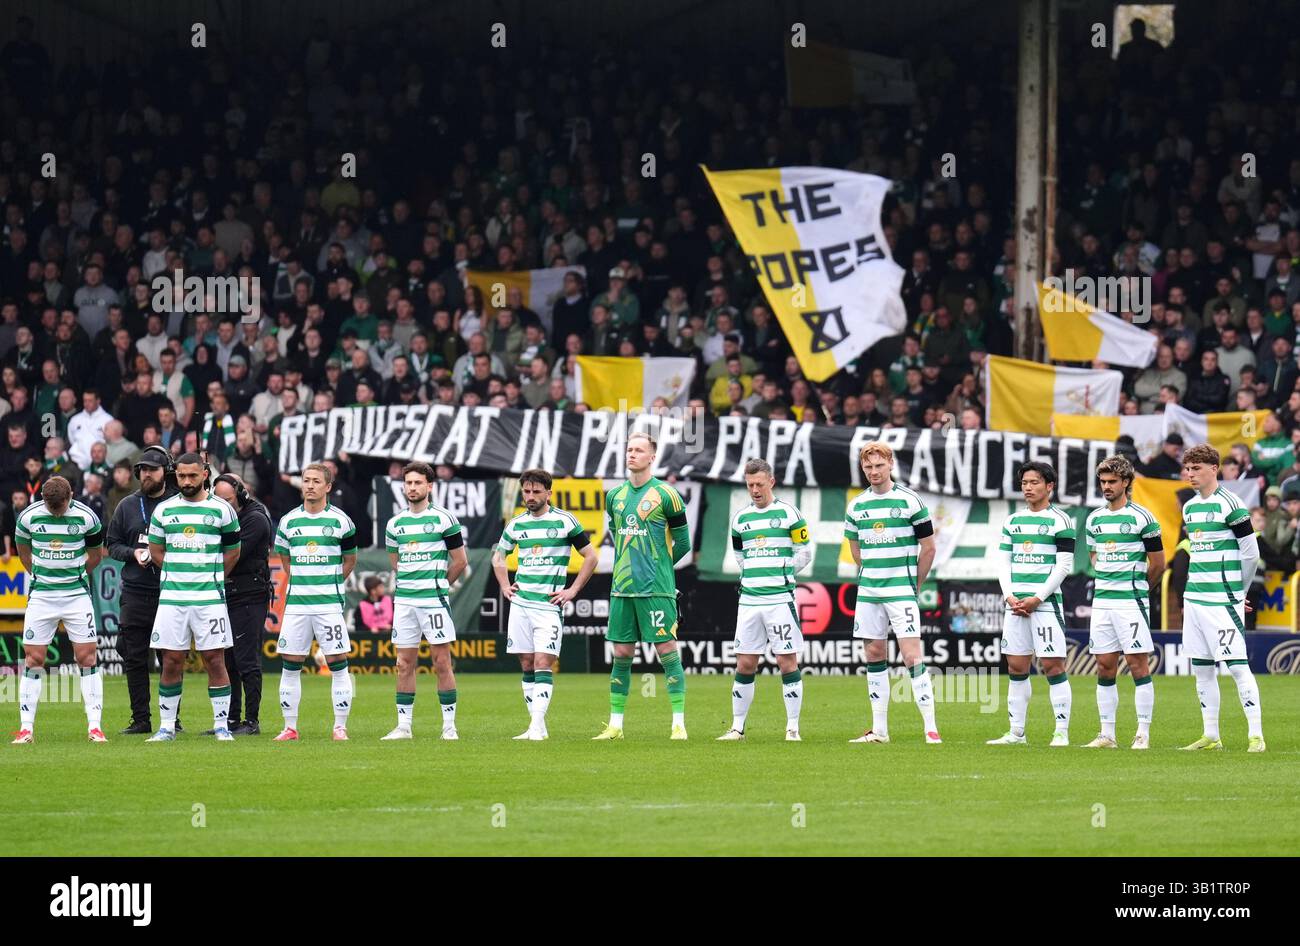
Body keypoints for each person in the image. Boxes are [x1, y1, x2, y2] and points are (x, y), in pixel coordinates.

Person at [593, 433, 692, 741]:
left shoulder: (666, 494)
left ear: (652, 457)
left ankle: (678, 723)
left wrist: (659, 566)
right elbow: (617, 535)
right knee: (621, 652)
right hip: (622, 589)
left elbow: (684, 543)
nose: (632, 454)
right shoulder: (615, 496)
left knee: (666, 650)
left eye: (639, 450)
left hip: (656, 589)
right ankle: (616, 726)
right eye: (629, 449)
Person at [492, 468, 599, 741]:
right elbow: (498, 557)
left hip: (548, 606)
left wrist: (572, 590)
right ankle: (535, 726)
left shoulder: (565, 521)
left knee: (543, 662)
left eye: (536, 491)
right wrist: (505, 585)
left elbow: (590, 556)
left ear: (549, 493)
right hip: (521, 604)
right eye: (526, 491)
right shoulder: (516, 524)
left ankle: (538, 726)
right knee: (527, 662)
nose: (530, 496)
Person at [844, 442, 940, 744]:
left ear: (891, 464)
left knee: (912, 656)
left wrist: (916, 584)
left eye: (879, 465)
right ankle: (880, 730)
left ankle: (930, 728)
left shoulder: (911, 501)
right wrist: (869, 574)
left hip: (901, 592)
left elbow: (929, 547)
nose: (874, 471)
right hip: (870, 592)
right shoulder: (856, 505)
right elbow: (855, 548)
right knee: (873, 654)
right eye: (868, 467)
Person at [145, 452, 241, 742]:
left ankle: (222, 726)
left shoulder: (222, 510)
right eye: (182, 476)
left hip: (209, 600)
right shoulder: (163, 510)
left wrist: (210, 578)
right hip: (173, 600)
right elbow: (156, 552)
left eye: (192, 476)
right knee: (171, 661)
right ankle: (166, 727)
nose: (186, 481)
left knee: (214, 659)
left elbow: (233, 551)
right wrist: (178, 572)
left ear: (205, 474)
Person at [1177, 444, 1266, 752]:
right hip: (1195, 599)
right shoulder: (1189, 508)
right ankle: (1211, 735)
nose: (1191, 474)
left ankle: (1256, 736)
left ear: (1214, 468)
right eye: (1188, 468)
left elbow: (1251, 552)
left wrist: (1238, 592)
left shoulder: (1231, 504)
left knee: (1238, 667)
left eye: (1197, 468)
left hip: (1221, 600)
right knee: (1202, 668)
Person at [716, 458, 812, 742]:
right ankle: (737, 728)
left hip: (780, 599)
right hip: (749, 602)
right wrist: (756, 574)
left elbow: (804, 553)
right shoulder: (741, 519)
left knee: (786, 662)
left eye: (759, 484)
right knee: (745, 664)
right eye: (750, 485)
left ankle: (792, 727)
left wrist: (781, 573)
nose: (755, 489)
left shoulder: (789, 514)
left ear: (771, 481)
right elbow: (740, 556)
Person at [11, 477, 106, 744]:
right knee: (33, 659)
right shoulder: (28, 517)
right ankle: (26, 728)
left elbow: (96, 555)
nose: (56, 512)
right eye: (52, 508)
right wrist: (41, 577)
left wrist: (75, 576)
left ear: (71, 497)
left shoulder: (88, 518)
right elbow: (23, 552)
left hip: (76, 596)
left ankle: (95, 727)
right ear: (42, 498)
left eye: (61, 508)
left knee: (87, 658)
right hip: (42, 597)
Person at [988, 461, 1076, 747]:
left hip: (1046, 605)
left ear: (1049, 486)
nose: (1028, 487)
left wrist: (1038, 598)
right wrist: (1009, 596)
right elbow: (1004, 561)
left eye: (1034, 482)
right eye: (1024, 482)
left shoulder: (1061, 521)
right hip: (1015, 605)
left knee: (1052, 665)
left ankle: (1061, 732)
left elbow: (1063, 566)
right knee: (1016, 666)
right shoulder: (1012, 522)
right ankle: (1016, 733)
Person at [271, 463, 357, 741]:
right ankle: (290, 727)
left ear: (327, 487)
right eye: (306, 480)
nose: (309, 485)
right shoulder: (288, 521)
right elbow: (284, 557)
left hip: (328, 605)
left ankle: (340, 727)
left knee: (337, 662)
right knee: (291, 662)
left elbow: (350, 559)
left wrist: (330, 583)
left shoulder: (341, 521)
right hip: (297, 605)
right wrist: (302, 579)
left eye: (316, 481)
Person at [1082, 456, 1164, 750]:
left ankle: (1142, 732)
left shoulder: (1143, 517)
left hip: (1131, 601)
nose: (1106, 487)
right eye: (1103, 482)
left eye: (1112, 481)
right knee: (1104, 665)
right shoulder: (1094, 519)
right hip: (1102, 602)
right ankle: (1107, 734)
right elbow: (1094, 557)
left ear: (1126, 482)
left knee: (1137, 664)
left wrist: (1139, 589)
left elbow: (1158, 563)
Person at [381, 461, 467, 741]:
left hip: (434, 602)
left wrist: (439, 585)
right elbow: (396, 563)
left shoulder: (444, 519)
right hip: (405, 603)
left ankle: (449, 726)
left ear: (429, 486)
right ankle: (404, 727)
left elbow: (460, 561)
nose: (412, 488)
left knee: (441, 661)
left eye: (418, 483)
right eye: (408, 483)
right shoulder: (395, 524)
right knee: (404, 663)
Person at [104, 445, 179, 733]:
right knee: (134, 655)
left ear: (165, 473)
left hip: (169, 589)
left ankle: (172, 720)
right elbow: (112, 543)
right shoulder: (126, 505)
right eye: (143, 470)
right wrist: (132, 553)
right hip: (135, 589)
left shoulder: (177, 505)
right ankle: (141, 719)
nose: (146, 474)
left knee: (170, 656)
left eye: (152, 469)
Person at [212, 474, 273, 736]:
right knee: (228, 660)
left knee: (247, 659)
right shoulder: (231, 515)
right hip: (228, 592)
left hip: (249, 594)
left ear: (242, 495)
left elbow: (231, 554)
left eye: (227, 500)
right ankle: (231, 719)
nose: (223, 506)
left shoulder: (255, 519)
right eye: (218, 501)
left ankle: (252, 720)